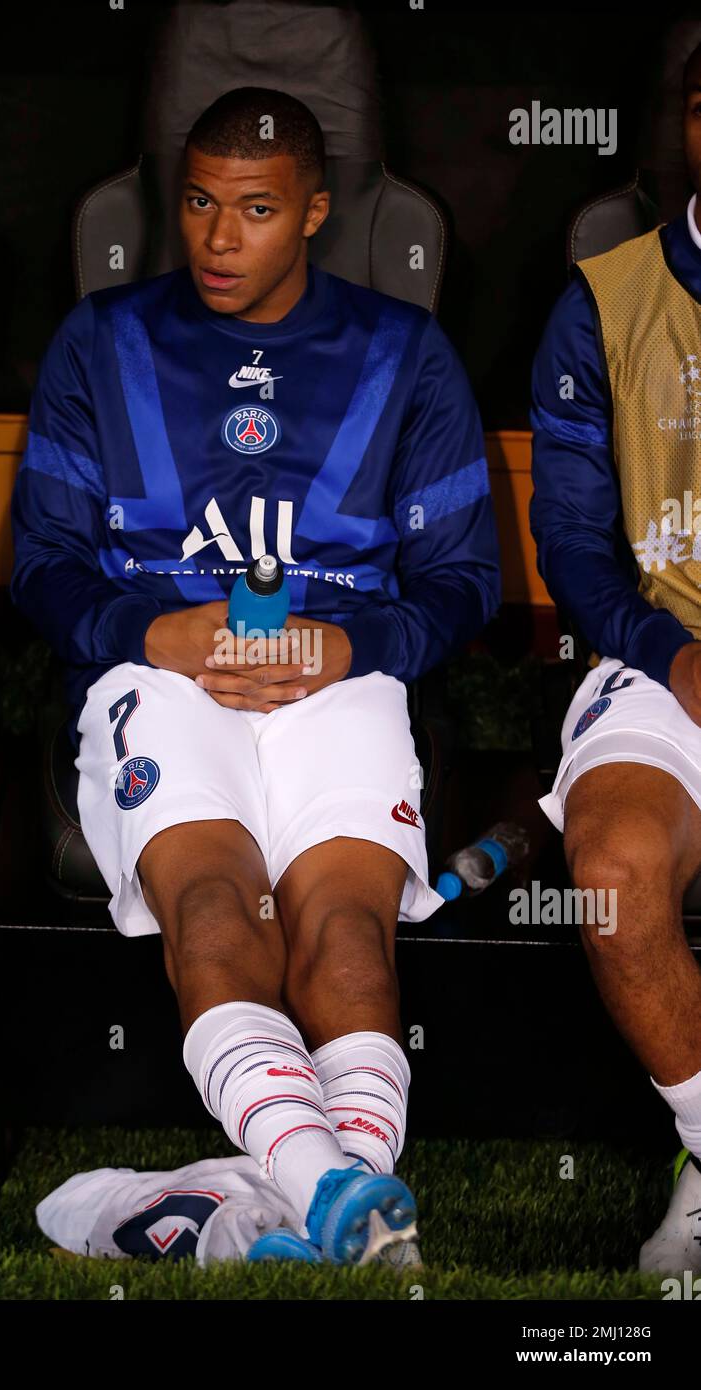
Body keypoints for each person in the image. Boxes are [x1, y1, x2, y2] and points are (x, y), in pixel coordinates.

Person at [12, 86, 500, 1264]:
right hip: (164, 674)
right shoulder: (102, 338)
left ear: (316, 213)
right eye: (196, 203)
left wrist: (350, 645)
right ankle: (342, 1200)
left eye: (255, 211)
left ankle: (284, 1199)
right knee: (216, 910)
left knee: (343, 935)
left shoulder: (401, 351)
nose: (217, 239)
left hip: (336, 674)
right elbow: (40, 566)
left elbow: (464, 579)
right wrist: (153, 631)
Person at [531, 41, 701, 1276]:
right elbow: (572, 547)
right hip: (664, 655)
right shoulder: (603, 296)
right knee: (611, 875)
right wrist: (673, 652)